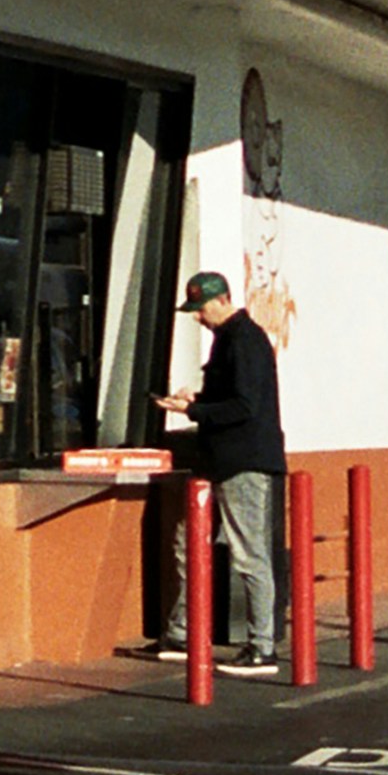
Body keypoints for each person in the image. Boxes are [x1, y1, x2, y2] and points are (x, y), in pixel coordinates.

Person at [161, 267, 286, 674]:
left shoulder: (245, 341)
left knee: (249, 555)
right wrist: (195, 398)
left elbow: (245, 406)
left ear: (222, 300)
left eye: (201, 308)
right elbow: (232, 397)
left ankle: (262, 646)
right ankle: (181, 633)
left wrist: (193, 409)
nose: (198, 317)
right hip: (220, 461)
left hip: (243, 462)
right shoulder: (229, 340)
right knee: (189, 545)